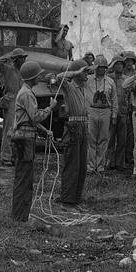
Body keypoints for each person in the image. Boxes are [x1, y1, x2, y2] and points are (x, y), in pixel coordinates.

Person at [9, 60, 63, 222]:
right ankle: (19, 217)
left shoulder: (26, 92)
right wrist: (51, 108)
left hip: (24, 139)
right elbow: (35, 117)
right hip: (24, 141)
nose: (40, 77)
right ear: (31, 76)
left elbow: (29, 119)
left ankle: (21, 216)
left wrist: (45, 131)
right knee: (24, 179)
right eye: (38, 75)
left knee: (25, 178)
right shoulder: (26, 94)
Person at [58, 60, 89, 206]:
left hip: (83, 127)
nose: (86, 74)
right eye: (84, 71)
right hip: (73, 127)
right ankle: (67, 200)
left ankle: (76, 199)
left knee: (82, 165)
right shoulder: (69, 87)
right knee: (72, 165)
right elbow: (58, 77)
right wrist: (74, 71)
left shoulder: (83, 88)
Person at [0, 48, 27, 168]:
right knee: (8, 130)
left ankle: (14, 156)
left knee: (17, 131)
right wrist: (9, 56)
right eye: (22, 58)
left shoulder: (22, 71)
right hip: (11, 100)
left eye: (24, 57)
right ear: (16, 59)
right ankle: (6, 157)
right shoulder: (8, 68)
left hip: (20, 100)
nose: (24, 60)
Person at [86, 55, 116, 174]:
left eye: (103, 67)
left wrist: (114, 115)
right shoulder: (87, 79)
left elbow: (114, 100)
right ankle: (90, 166)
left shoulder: (110, 82)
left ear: (106, 68)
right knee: (91, 138)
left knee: (103, 139)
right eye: (98, 67)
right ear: (95, 68)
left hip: (105, 110)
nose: (101, 70)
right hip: (92, 110)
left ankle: (100, 166)